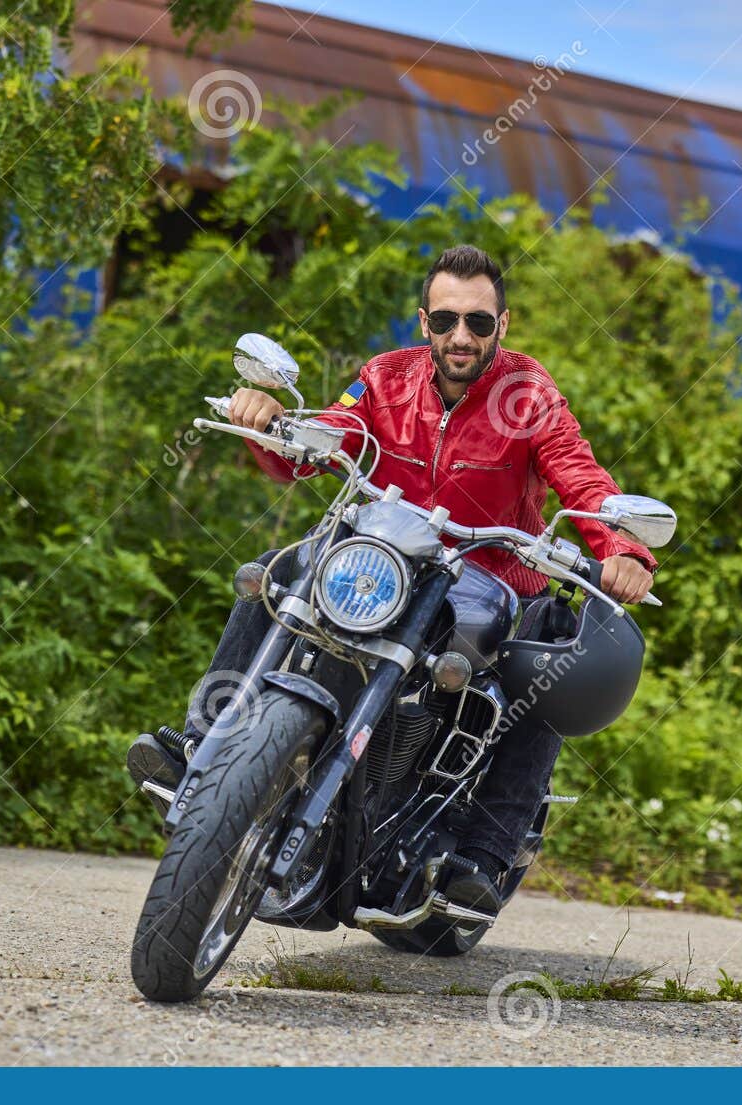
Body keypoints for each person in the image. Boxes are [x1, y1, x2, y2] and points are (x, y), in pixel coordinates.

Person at [129, 244, 657, 917]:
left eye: (478, 322)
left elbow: (579, 474)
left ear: (504, 325)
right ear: (423, 321)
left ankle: (483, 855)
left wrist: (621, 550)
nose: (460, 335)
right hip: (383, 558)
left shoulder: (529, 395)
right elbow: (327, 438)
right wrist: (267, 424)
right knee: (279, 571)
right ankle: (204, 743)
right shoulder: (382, 377)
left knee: (551, 660)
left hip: (491, 573)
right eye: (444, 320)